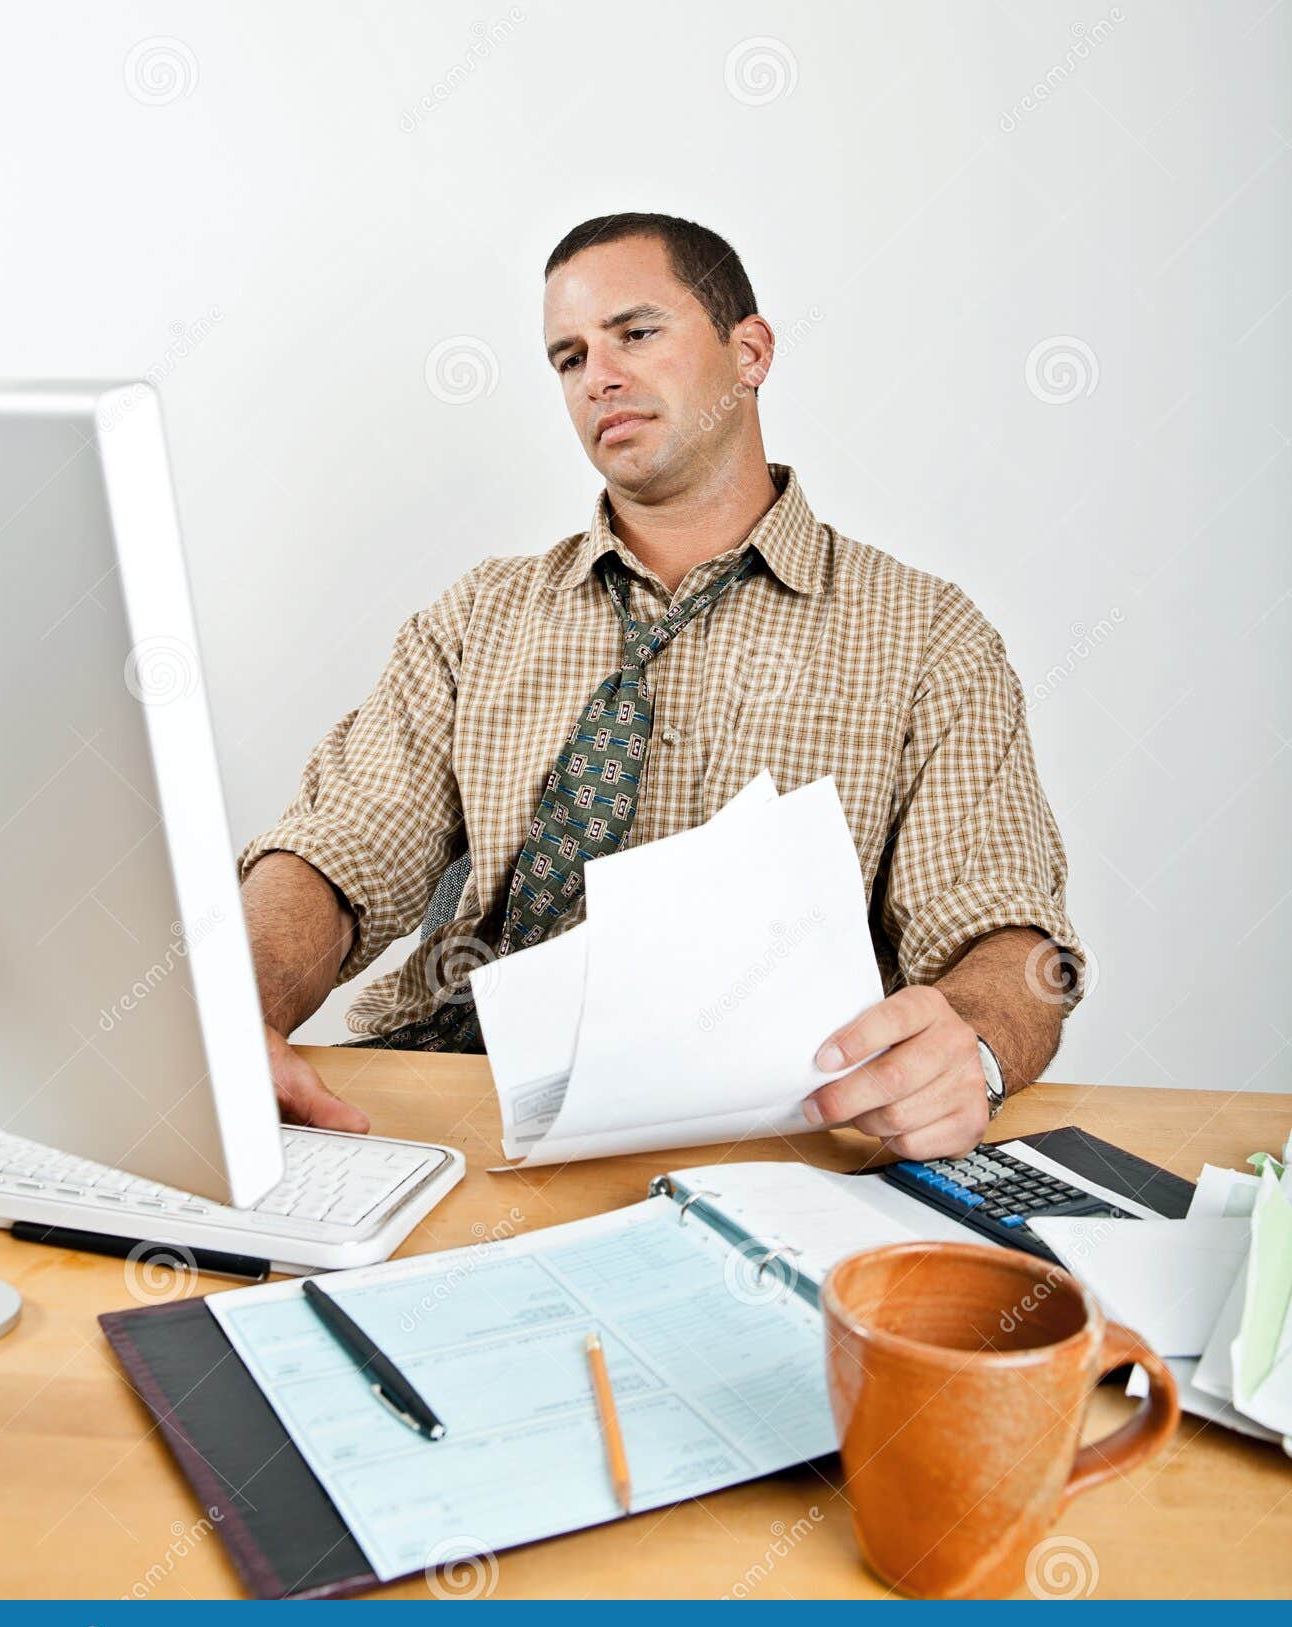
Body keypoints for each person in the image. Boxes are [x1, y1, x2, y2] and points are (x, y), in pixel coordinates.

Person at [239, 211, 1087, 1164]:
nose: (597, 375)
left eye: (635, 334)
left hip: (764, 1133)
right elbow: (337, 849)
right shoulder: (480, 617)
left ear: (750, 351)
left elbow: (1008, 932)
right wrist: (236, 1017)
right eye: (567, 357)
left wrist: (969, 1048)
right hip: (451, 1099)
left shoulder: (927, 637)